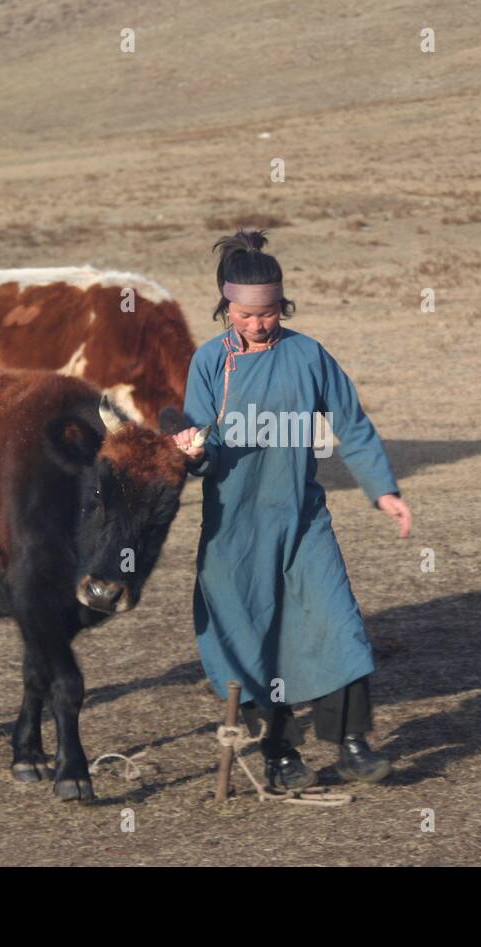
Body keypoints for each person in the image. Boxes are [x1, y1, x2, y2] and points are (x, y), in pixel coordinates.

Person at [173, 230, 413, 791]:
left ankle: (353, 743)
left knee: (339, 623)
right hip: (235, 530)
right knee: (252, 636)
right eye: (247, 314)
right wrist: (193, 452)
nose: (259, 323)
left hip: (302, 519)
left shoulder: (308, 355)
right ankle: (278, 752)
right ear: (226, 306)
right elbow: (198, 442)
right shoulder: (209, 363)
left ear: (283, 304)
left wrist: (383, 490)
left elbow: (351, 425)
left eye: (270, 312)